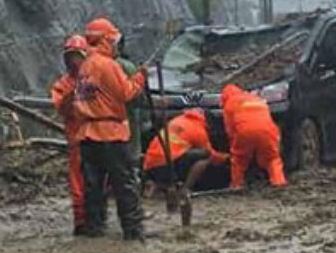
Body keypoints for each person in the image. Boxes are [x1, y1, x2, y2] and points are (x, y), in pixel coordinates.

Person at [59, 33, 148, 239]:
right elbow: (127, 93)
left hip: (87, 136)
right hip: (111, 133)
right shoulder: (107, 64)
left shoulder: (85, 68)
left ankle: (94, 230)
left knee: (93, 187)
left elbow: (69, 102)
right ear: (107, 41)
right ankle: (133, 231)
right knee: (124, 184)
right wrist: (141, 77)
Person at [143, 109, 224, 225]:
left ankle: (156, 184)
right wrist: (227, 158)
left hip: (150, 161)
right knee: (205, 157)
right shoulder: (199, 130)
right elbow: (211, 154)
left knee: (176, 161)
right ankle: (185, 189)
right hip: (168, 161)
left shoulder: (178, 120)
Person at [49, 35, 95, 236]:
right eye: (70, 56)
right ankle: (81, 220)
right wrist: (73, 94)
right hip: (77, 139)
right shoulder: (63, 85)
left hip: (98, 137)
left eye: (77, 56)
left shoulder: (95, 78)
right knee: (78, 182)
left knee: (100, 180)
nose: (74, 61)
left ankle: (97, 217)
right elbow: (62, 108)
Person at [220, 84, 286, 190]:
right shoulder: (257, 99)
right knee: (272, 158)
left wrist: (234, 145)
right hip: (269, 130)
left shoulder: (229, 104)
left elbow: (230, 130)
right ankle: (279, 182)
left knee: (239, 160)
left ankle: (237, 185)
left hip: (245, 132)